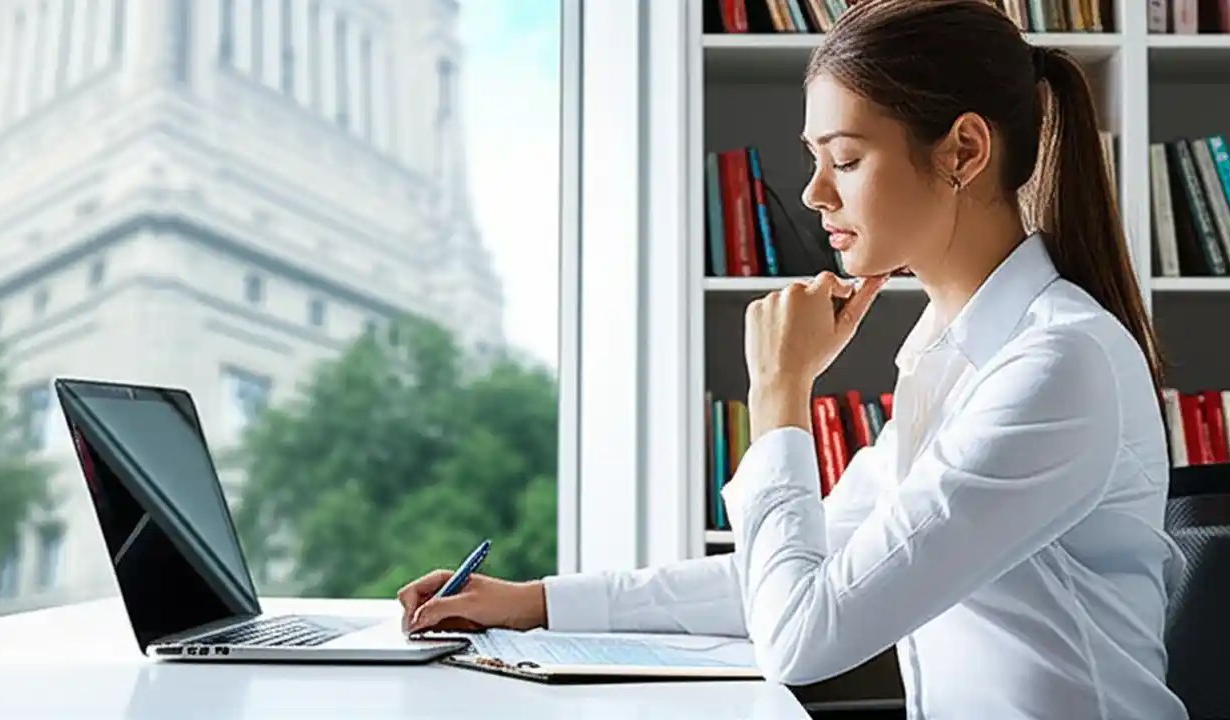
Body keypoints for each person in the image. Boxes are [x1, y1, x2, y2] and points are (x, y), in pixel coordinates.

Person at [398, 1, 1188, 717]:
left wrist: (779, 392)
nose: (812, 193)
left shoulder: (1056, 365)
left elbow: (806, 636)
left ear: (964, 151)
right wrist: (535, 603)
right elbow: (789, 578)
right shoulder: (954, 356)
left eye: (844, 159)